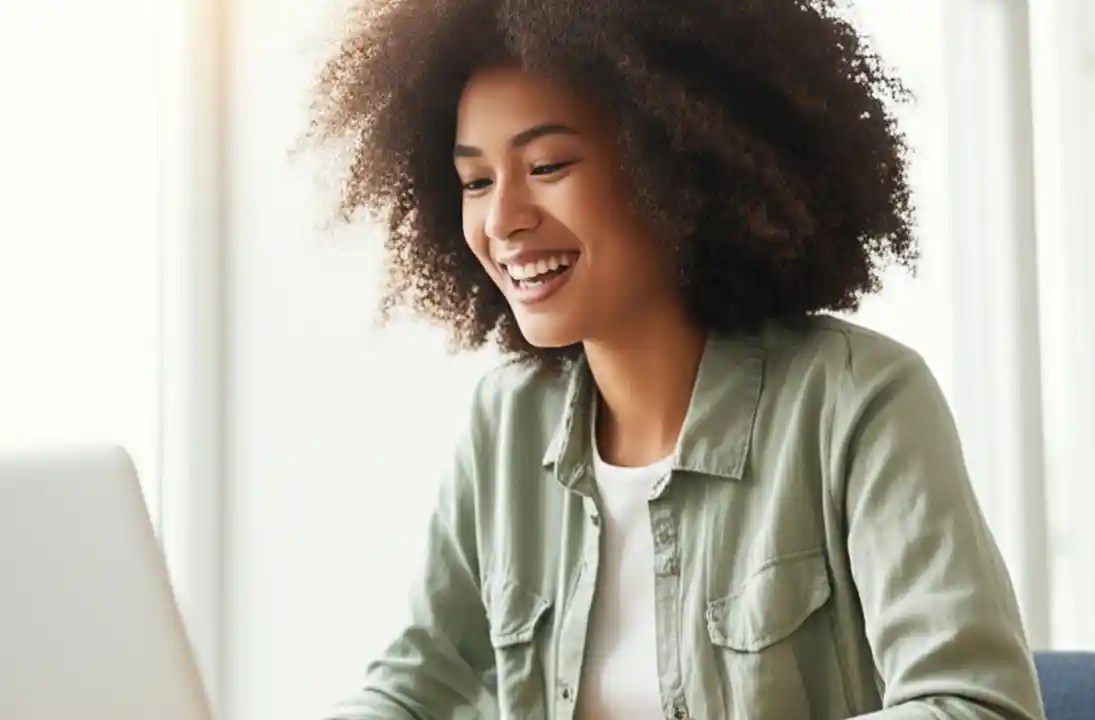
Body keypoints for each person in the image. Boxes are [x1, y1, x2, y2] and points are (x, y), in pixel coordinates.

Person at [304, 0, 1046, 717]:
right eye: (475, 181)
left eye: (549, 164)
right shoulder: (507, 421)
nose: (502, 220)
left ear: (676, 158)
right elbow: (416, 686)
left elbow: (974, 705)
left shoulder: (858, 400)